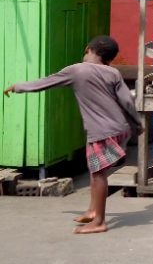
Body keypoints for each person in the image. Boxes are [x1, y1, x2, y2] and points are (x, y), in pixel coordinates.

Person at [3, 36, 142, 234]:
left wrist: (18, 87)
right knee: (95, 171)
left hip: (101, 131)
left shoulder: (76, 70)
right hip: (118, 128)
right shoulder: (113, 73)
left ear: (88, 49)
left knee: (99, 174)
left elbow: (47, 82)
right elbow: (127, 101)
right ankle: (93, 211)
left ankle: (99, 221)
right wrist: (138, 124)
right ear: (110, 58)